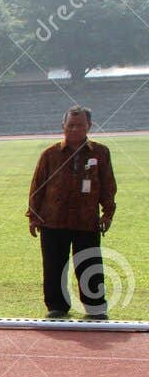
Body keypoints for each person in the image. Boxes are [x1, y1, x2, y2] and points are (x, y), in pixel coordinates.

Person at [28, 105, 117, 319]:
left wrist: (108, 213)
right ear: (63, 126)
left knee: (90, 264)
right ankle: (56, 306)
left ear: (89, 126)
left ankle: (95, 307)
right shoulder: (50, 155)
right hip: (53, 221)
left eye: (79, 125)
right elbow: (37, 185)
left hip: (86, 220)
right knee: (53, 266)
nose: (74, 129)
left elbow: (108, 184)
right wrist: (33, 216)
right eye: (70, 125)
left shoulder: (100, 152)